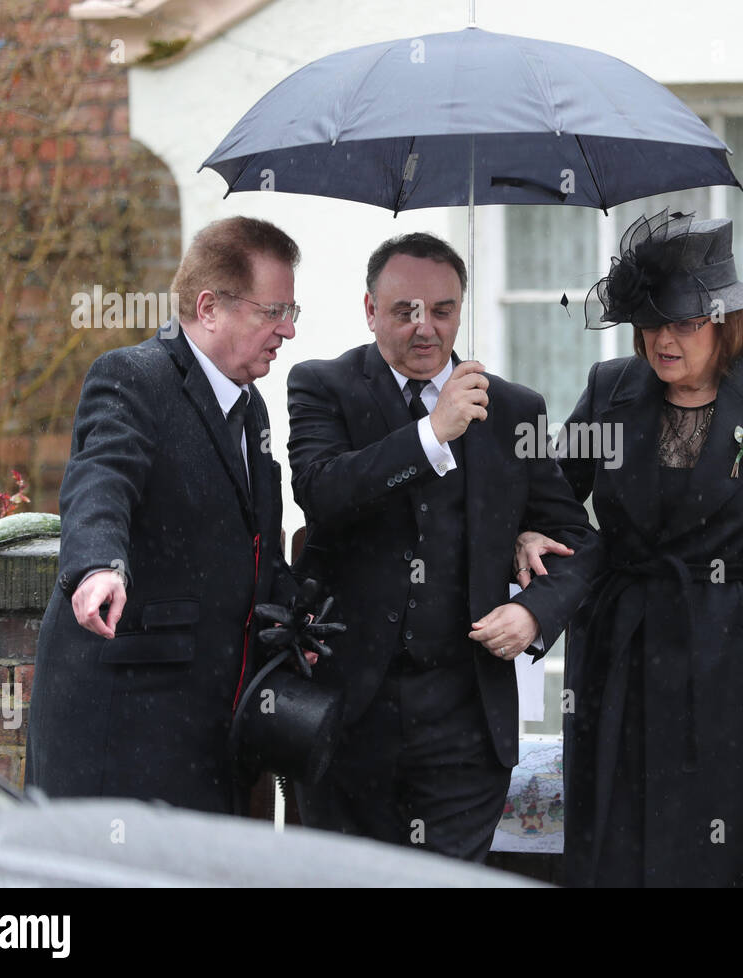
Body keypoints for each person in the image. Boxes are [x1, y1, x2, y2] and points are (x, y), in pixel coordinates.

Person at [518, 210, 743, 887]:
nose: (661, 339)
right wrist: (529, 527)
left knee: (708, 834)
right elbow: (554, 493)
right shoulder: (609, 388)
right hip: (620, 640)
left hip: (729, 648)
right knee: (609, 826)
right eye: (649, 322)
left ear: (725, 323)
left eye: (681, 323)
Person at [286, 232, 600, 862]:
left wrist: (535, 612)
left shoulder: (514, 409)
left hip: (465, 725)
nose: (424, 328)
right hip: (346, 714)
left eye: (443, 310)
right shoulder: (323, 387)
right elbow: (322, 493)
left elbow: (579, 543)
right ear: (370, 310)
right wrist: (432, 434)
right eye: (404, 311)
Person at [26, 216, 302, 814]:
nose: (287, 331)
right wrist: (99, 565)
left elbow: (254, 551)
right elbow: (102, 479)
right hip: (124, 725)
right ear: (209, 307)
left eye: (292, 312)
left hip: (209, 735)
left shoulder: (251, 409)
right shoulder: (134, 376)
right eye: (272, 312)